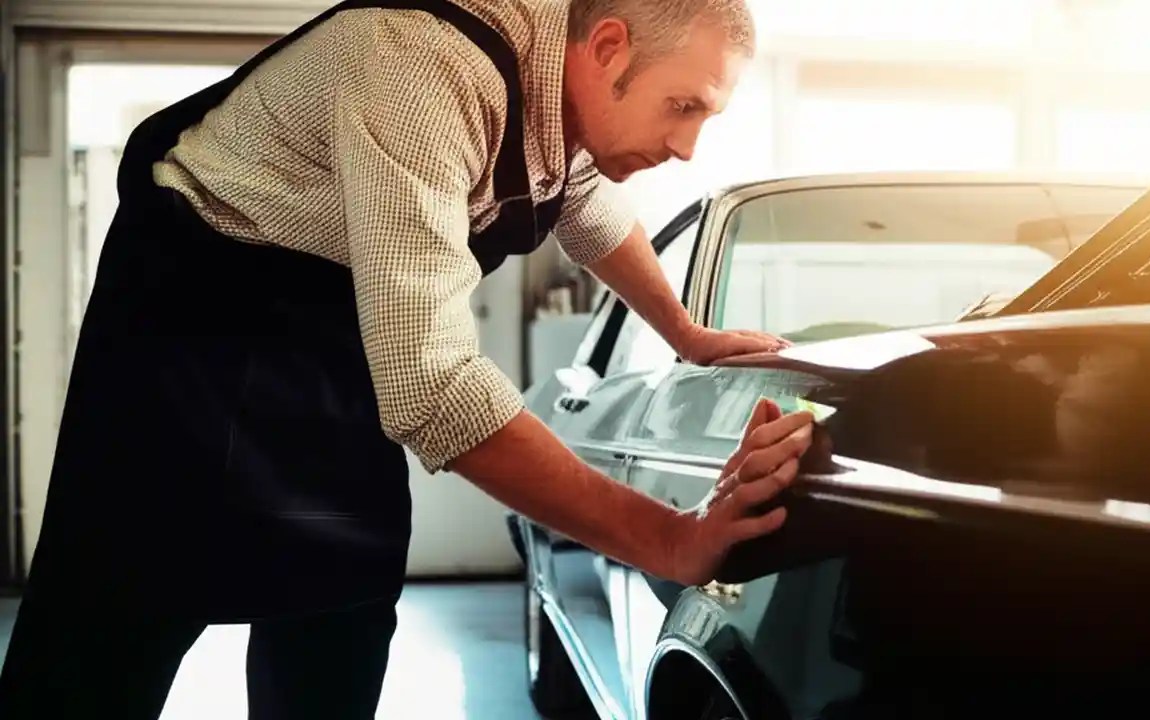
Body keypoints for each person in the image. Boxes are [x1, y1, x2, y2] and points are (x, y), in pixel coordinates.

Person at [0, 0, 815, 717]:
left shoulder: (564, 92)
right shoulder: (419, 66)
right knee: (109, 626)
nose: (688, 147)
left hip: (335, 331)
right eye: (682, 106)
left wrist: (685, 333)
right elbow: (434, 387)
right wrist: (669, 540)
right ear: (606, 48)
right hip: (191, 322)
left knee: (342, 604)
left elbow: (587, 207)